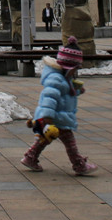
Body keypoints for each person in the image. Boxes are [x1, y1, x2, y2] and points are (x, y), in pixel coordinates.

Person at [21, 38, 98, 176]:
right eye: (75, 69)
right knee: (70, 143)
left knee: (44, 140)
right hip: (56, 118)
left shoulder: (64, 78)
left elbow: (66, 94)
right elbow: (49, 98)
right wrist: (48, 117)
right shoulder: (56, 79)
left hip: (57, 117)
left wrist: (77, 91)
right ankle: (79, 165)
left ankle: (30, 157)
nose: (76, 71)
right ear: (69, 67)